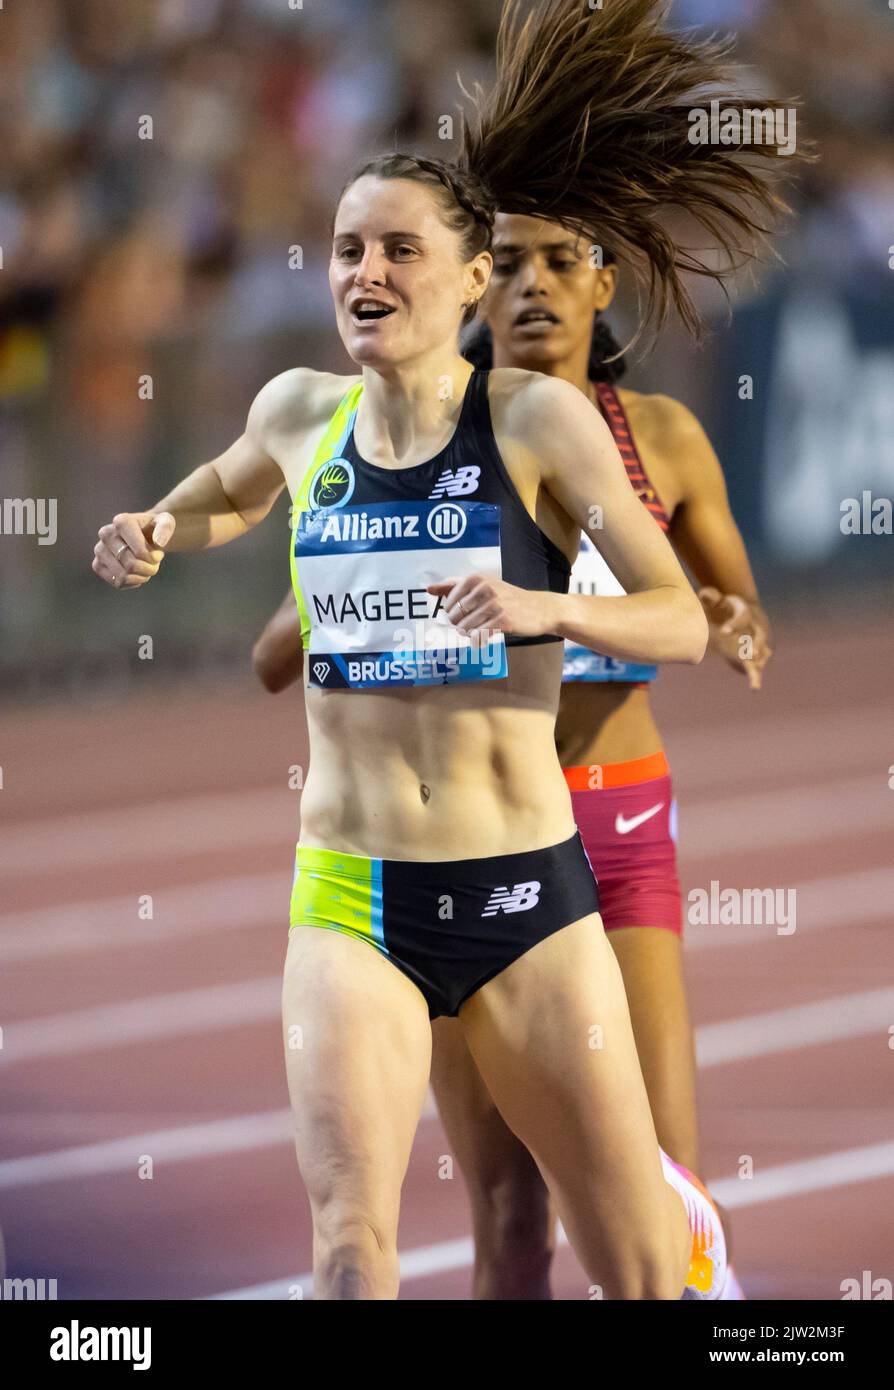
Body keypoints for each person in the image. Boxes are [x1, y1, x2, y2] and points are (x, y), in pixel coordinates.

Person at [92, 0, 793, 1299]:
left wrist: (551, 610)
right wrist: (155, 525)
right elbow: (227, 493)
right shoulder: (302, 411)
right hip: (350, 892)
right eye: (347, 247)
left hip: (539, 883)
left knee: (640, 1259)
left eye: (399, 249)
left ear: (464, 277)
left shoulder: (542, 429)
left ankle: (678, 1228)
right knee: (360, 1251)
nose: (365, 271)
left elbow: (685, 614)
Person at [253, 223, 772, 1300]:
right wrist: (357, 587)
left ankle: (689, 1253)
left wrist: (729, 619)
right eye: (516, 265)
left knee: (661, 1176)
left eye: (562, 262)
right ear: (480, 290)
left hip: (609, 824)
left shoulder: (657, 435)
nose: (537, 287)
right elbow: (282, 640)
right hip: (452, 848)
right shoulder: (415, 443)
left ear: (603, 285)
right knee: (507, 1207)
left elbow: (719, 604)